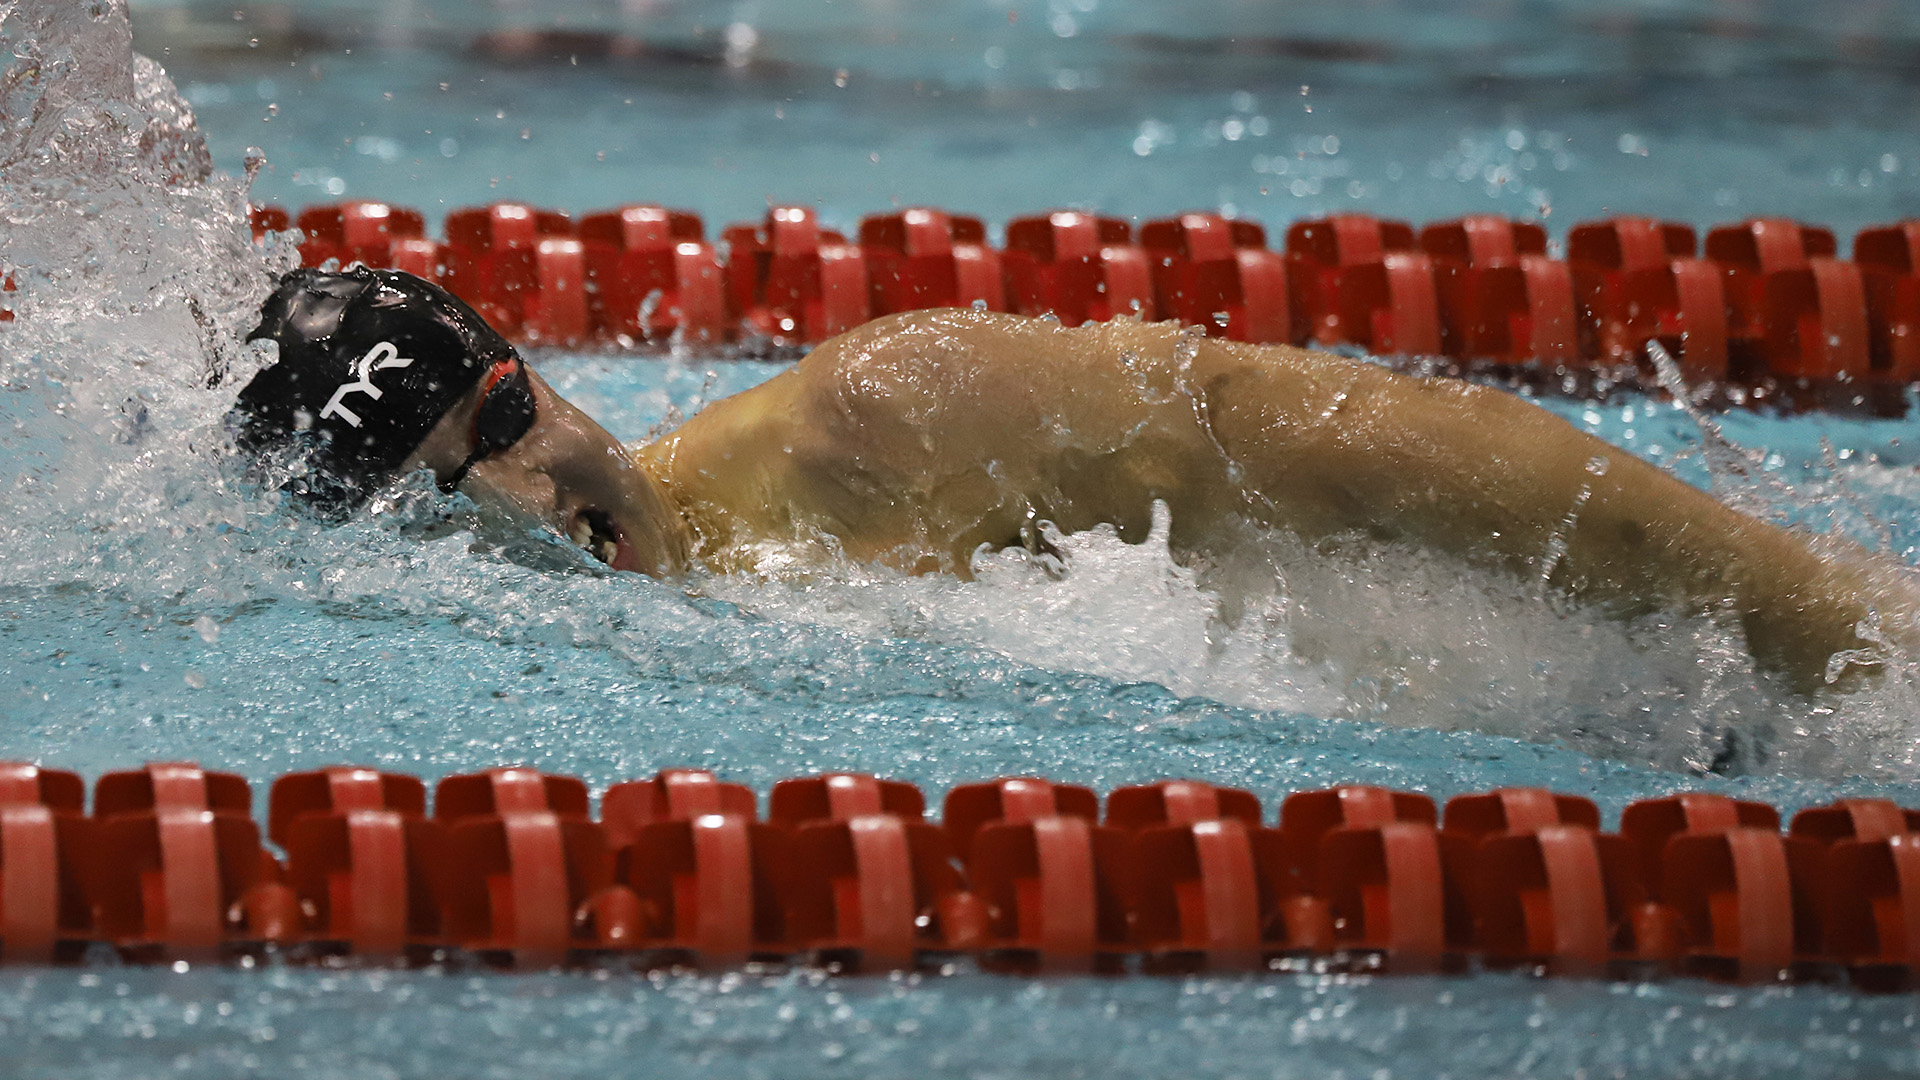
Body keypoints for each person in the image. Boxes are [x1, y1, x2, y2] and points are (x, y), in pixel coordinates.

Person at [233, 266, 1917, 693]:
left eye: (517, 421)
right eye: (458, 492)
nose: (541, 498)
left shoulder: (877, 424)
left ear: (540, 367)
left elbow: (1325, 436)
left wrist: (1810, 607)